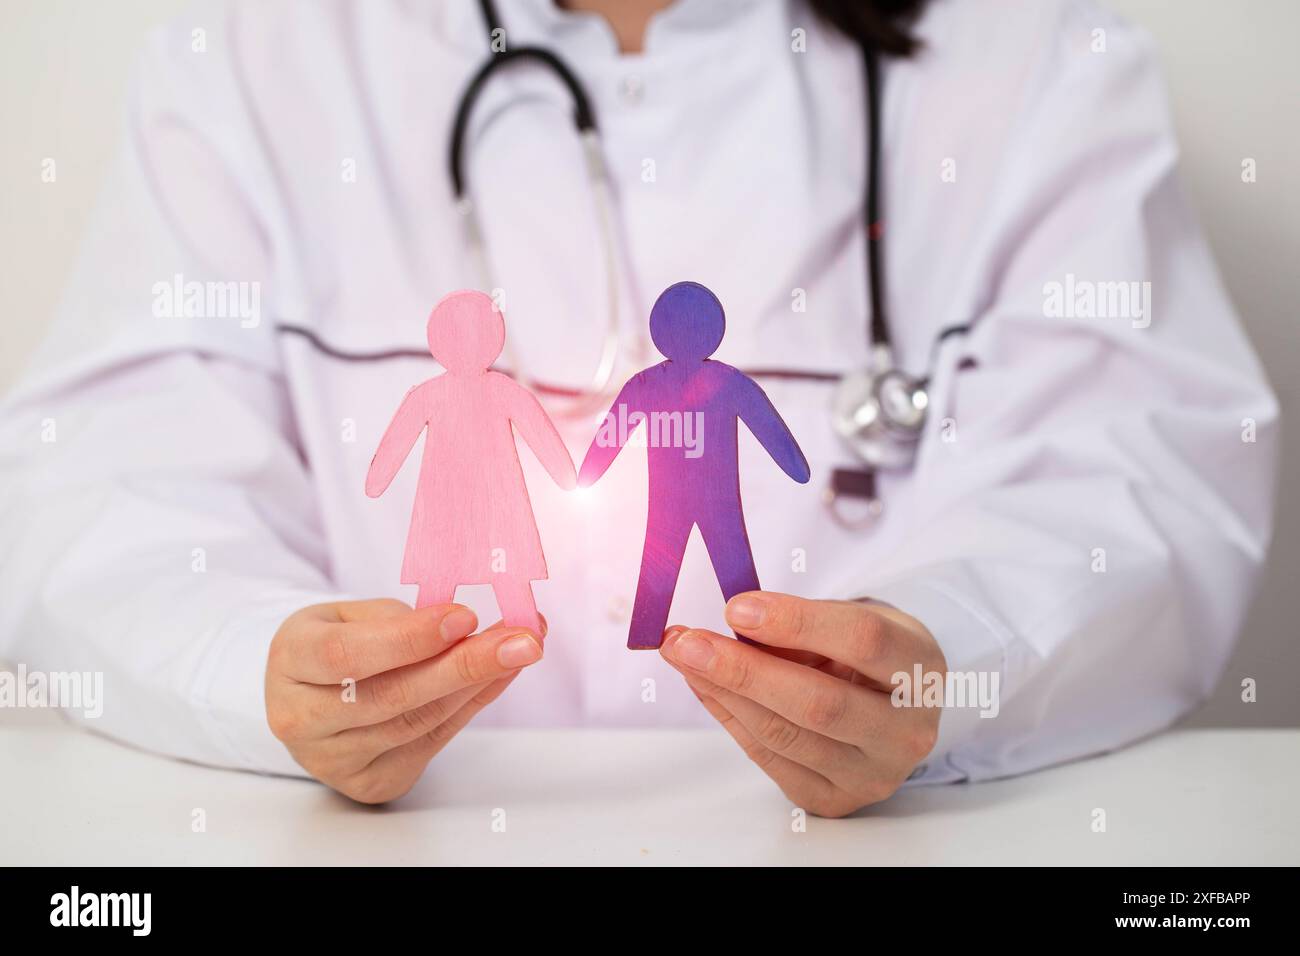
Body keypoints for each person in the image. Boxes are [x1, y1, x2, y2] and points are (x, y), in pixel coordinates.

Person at [0, 0, 1278, 814]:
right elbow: (106, 473)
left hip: (872, 855)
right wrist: (266, 668)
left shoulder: (1038, 63)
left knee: (705, 566)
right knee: (600, 560)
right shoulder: (255, 61)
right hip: (395, 852)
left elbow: (1139, 466)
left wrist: (944, 646)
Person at [579, 281, 810, 649]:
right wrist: (794, 467)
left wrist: (587, 474)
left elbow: (610, 437)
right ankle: (753, 638)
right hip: (716, 501)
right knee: (731, 560)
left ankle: (647, 632)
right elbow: (770, 430)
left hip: (676, 500)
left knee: (663, 563)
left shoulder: (647, 384)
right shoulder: (727, 381)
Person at [366, 289, 576, 636]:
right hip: (490, 507)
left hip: (449, 512)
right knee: (502, 575)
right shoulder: (500, 391)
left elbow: (393, 446)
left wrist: (376, 482)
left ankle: (442, 640)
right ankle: (509, 632)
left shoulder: (431, 394)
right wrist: (567, 477)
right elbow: (544, 439)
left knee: (444, 578)